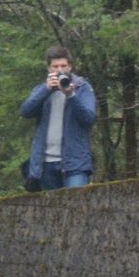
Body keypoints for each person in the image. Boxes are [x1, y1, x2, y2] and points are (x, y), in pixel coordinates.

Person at [19, 48, 98, 190]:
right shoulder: (41, 90)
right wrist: (46, 89)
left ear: (70, 67)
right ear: (49, 68)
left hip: (75, 163)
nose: (60, 70)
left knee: (76, 208)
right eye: (55, 67)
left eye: (63, 66)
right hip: (45, 164)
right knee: (52, 210)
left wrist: (71, 95)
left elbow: (88, 118)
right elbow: (26, 111)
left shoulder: (82, 88)